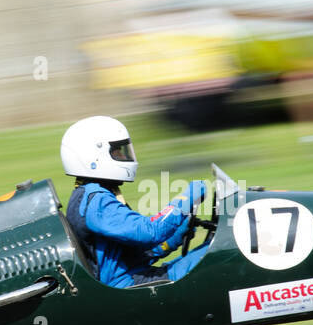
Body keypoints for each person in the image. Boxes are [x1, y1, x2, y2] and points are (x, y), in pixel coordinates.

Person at [60, 115, 208, 287]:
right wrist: (187, 198)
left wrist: (176, 235)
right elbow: (151, 231)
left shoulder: (93, 194)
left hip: (133, 274)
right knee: (216, 261)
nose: (124, 156)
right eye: (117, 152)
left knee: (209, 252)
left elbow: (131, 250)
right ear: (94, 157)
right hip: (127, 287)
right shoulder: (96, 202)